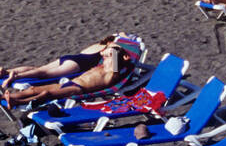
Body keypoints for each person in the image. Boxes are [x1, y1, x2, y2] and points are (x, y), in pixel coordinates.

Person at [1, 35, 133, 108]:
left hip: (78, 89)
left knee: (46, 93)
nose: (106, 57)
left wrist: (121, 54)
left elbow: (115, 53)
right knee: (34, 89)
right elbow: (109, 51)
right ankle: (5, 98)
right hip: (71, 82)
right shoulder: (101, 66)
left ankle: (18, 102)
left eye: (109, 56)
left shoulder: (113, 74)